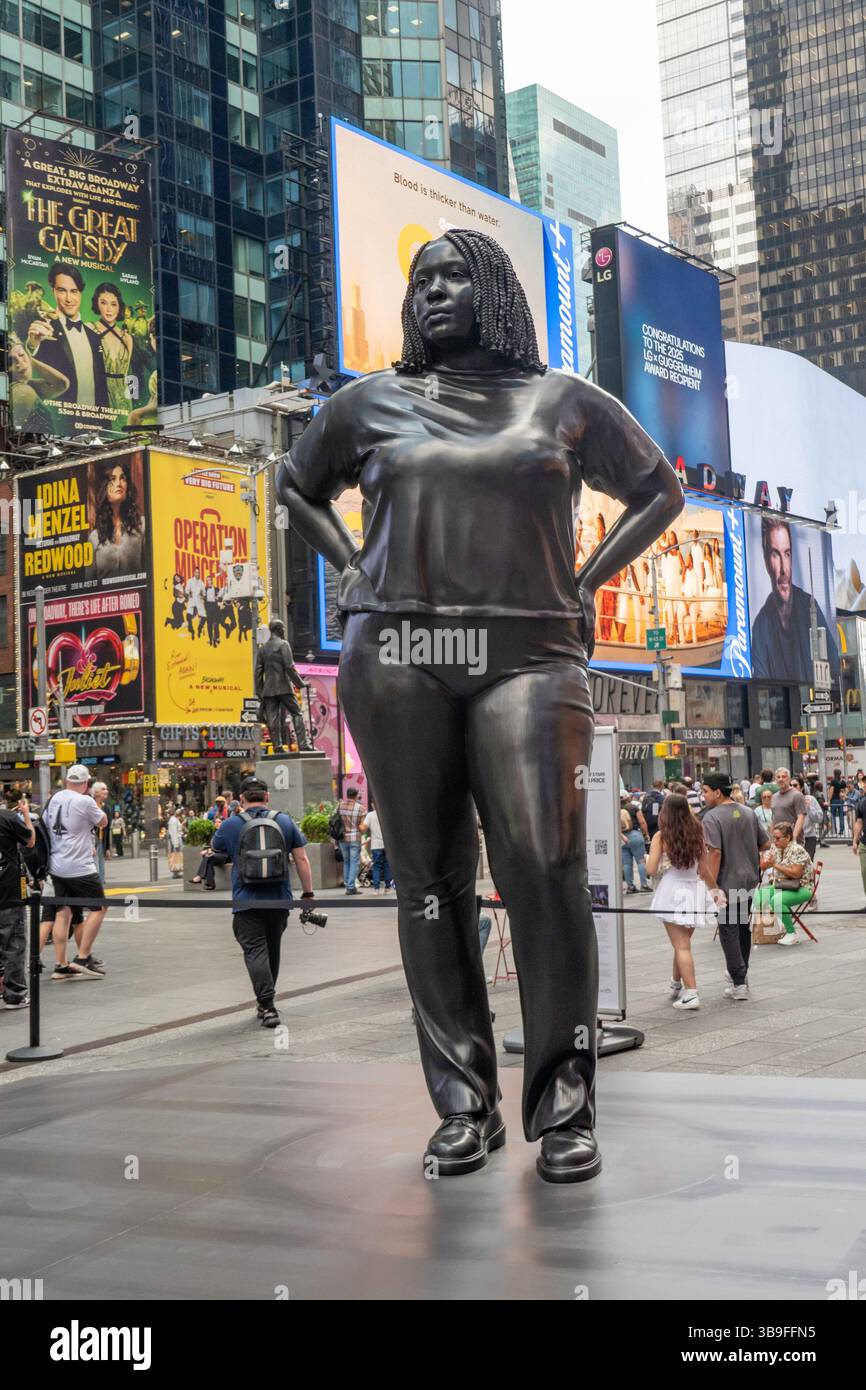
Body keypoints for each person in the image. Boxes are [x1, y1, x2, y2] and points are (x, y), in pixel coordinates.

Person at [277, 226, 683, 1182]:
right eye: (422, 280)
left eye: (457, 275)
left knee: (542, 867)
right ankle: (464, 1103)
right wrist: (352, 571)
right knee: (425, 881)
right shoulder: (368, 402)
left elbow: (660, 490)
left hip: (530, 653)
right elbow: (295, 485)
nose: (435, 293)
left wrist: (586, 583)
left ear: (498, 290)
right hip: (399, 654)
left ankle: (565, 1105)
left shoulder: (562, 402)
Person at [211, 776, 312, 1028]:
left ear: (241, 798)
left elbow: (216, 848)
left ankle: (267, 1005)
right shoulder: (284, 821)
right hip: (279, 900)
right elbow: (301, 859)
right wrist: (308, 894)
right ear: (267, 797)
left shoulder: (231, 824)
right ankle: (265, 1000)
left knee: (256, 951)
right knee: (272, 949)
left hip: (246, 900)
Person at [646, 793, 718, 1011]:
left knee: (681, 945)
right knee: (683, 943)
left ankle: (691, 992)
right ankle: (676, 983)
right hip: (694, 890)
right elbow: (704, 870)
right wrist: (715, 891)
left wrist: (649, 859)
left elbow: (651, 869)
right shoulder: (697, 832)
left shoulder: (662, 836)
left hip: (672, 890)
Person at [701, 773, 769, 1001]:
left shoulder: (712, 818)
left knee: (728, 930)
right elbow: (766, 843)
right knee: (741, 928)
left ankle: (738, 980)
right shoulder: (749, 812)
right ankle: (741, 973)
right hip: (749, 879)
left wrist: (713, 886)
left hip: (727, 883)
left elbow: (715, 852)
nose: (704, 796)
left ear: (717, 792)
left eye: (706, 791)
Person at [751, 517, 839, 682]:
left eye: (787, 554)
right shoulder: (760, 627)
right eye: (775, 555)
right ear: (766, 561)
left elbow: (835, 668)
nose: (784, 569)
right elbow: (761, 690)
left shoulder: (809, 607)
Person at [44, 766, 108, 980]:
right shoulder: (85, 801)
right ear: (86, 783)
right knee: (99, 907)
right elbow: (103, 822)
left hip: (57, 865)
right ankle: (82, 957)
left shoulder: (55, 798)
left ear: (67, 780)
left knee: (64, 911)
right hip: (79, 866)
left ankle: (60, 965)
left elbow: (44, 824)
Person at [28, 262, 110, 411]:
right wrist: (32, 345)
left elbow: (101, 387)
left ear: (80, 293)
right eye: (61, 290)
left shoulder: (94, 337)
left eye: (74, 291)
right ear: (53, 290)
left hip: (94, 423)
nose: (68, 298)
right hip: (60, 423)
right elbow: (28, 368)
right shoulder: (45, 328)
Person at [0, 793, 36, 1010]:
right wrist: (24, 815)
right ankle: (15, 995)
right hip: (8, 890)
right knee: (13, 943)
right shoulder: (7, 818)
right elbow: (30, 840)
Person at [255, 618, 312, 752]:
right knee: (296, 713)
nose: (284, 631)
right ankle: (303, 745)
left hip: (269, 690)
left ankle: (277, 747)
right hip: (284, 687)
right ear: (279, 629)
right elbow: (289, 667)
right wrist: (300, 684)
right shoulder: (283, 645)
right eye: (283, 629)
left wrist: (260, 692)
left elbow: (257, 672)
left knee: (272, 718)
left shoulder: (263, 649)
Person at [754, 821, 814, 946]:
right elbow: (764, 866)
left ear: (788, 837)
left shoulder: (798, 850)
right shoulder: (775, 847)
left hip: (802, 887)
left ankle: (792, 933)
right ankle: (778, 925)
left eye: (777, 838)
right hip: (782, 884)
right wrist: (764, 861)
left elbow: (796, 874)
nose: (774, 841)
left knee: (777, 900)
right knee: (758, 896)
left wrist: (774, 865)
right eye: (773, 838)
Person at [87, 458, 146, 582]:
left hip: (137, 599)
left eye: (122, 478)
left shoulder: (142, 526)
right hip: (105, 600)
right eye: (112, 479)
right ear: (104, 487)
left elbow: (151, 569)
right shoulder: (94, 538)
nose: (118, 484)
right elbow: (89, 583)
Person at [91, 283, 134, 418]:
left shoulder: (127, 338)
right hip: (98, 392)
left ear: (119, 306)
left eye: (113, 304)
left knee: (125, 437)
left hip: (123, 398)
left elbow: (126, 372)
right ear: (97, 304)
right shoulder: (89, 328)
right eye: (103, 303)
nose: (109, 309)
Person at [337, 786, 366, 894]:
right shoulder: (361, 808)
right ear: (356, 795)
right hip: (355, 837)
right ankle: (350, 887)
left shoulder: (340, 806)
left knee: (347, 861)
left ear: (347, 794)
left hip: (342, 837)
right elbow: (362, 826)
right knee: (354, 862)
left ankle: (347, 884)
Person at [620, 793, 649, 893]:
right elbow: (642, 822)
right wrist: (645, 834)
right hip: (635, 835)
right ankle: (644, 885)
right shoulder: (633, 807)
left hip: (622, 838)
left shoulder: (615, 808)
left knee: (626, 863)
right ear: (628, 798)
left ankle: (630, 886)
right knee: (641, 861)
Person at [771, 767, 806, 844]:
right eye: (778, 777)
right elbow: (773, 819)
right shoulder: (773, 797)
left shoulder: (797, 795)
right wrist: (771, 839)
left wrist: (793, 838)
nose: (781, 779)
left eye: (784, 777)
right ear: (775, 780)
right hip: (778, 842)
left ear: (789, 779)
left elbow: (800, 818)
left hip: (793, 842)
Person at [363, 804, 393, 892]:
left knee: (376, 867)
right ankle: (387, 887)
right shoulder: (387, 814)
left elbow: (364, 827)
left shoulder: (370, 815)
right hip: (387, 845)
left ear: (372, 805)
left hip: (376, 845)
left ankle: (376, 888)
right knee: (387, 865)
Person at [852, 785, 866, 910]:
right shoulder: (862, 803)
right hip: (864, 844)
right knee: (865, 873)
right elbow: (859, 822)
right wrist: (855, 841)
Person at [167, 809, 184, 878]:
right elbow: (173, 833)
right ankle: (176, 872)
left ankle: (177, 872)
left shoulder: (174, 820)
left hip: (177, 839)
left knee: (177, 856)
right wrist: (176, 844)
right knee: (176, 856)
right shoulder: (173, 820)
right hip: (176, 839)